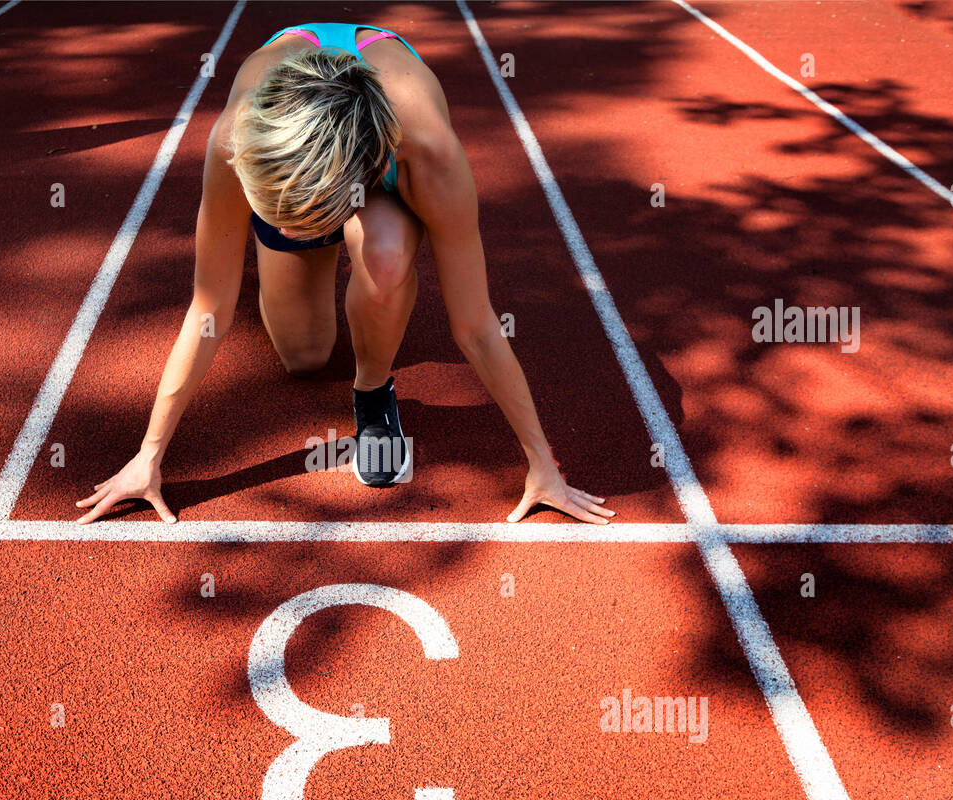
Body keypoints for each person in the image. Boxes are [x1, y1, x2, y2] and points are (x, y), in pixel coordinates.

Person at [76, 21, 615, 524]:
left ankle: (374, 391)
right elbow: (209, 306)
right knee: (304, 357)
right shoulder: (235, 142)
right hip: (308, 159)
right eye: (277, 218)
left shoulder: (429, 156)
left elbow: (475, 325)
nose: (287, 229)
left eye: (299, 223)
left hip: (370, 161)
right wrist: (148, 455)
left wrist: (543, 463)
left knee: (384, 255)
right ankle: (289, 254)